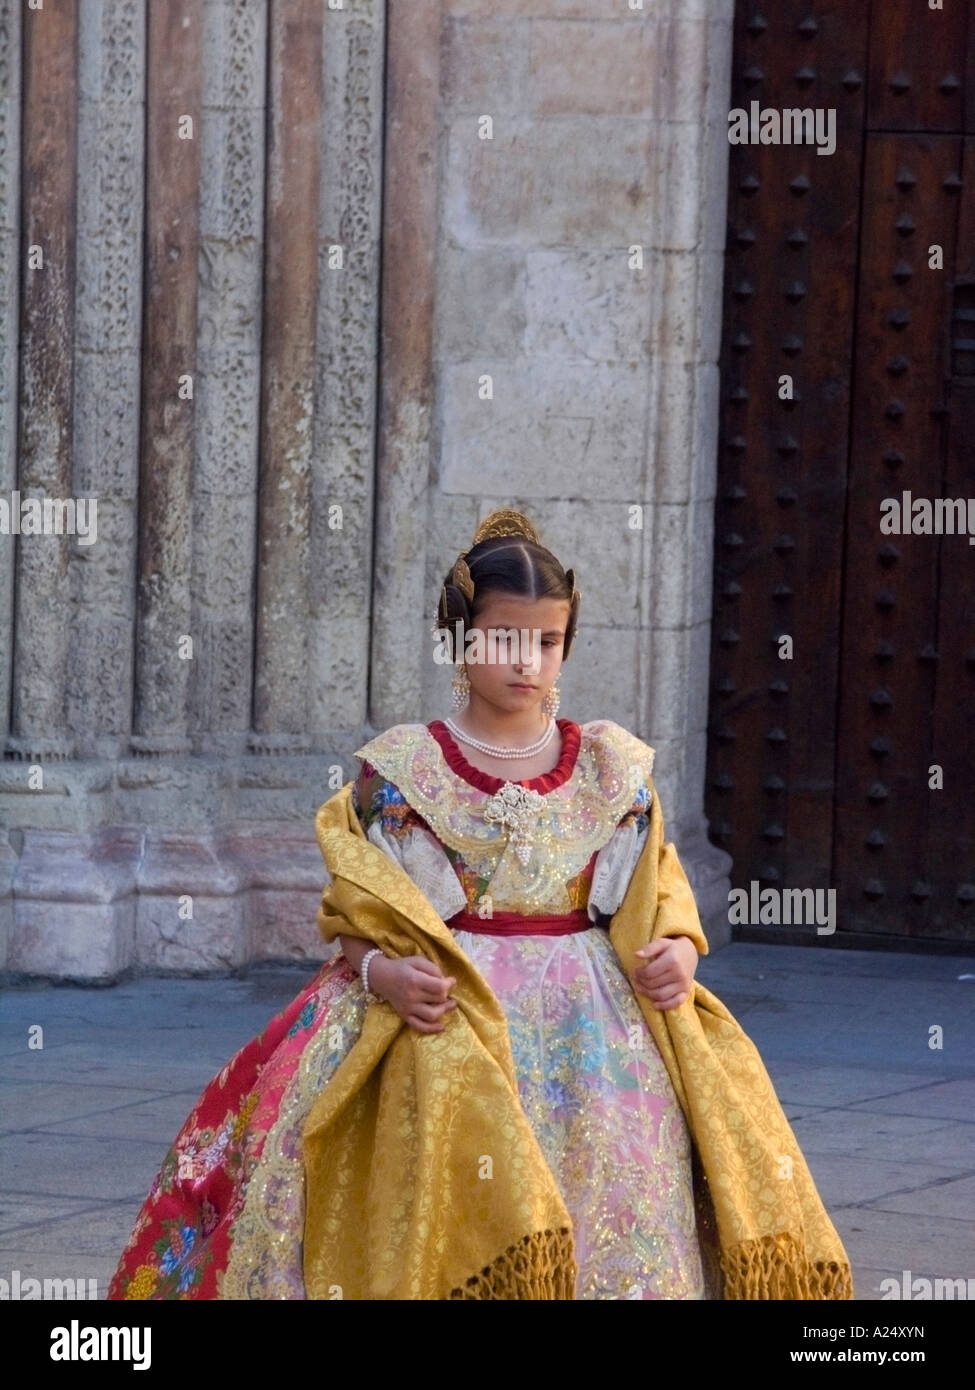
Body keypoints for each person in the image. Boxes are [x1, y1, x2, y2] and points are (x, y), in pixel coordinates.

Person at [108, 509, 852, 1301]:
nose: (526, 662)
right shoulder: (399, 776)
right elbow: (357, 919)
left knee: (613, 1199)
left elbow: (655, 888)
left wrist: (678, 948)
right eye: (504, 638)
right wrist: (381, 976)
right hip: (442, 1019)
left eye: (547, 641)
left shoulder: (609, 768)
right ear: (459, 636)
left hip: (592, 1035)